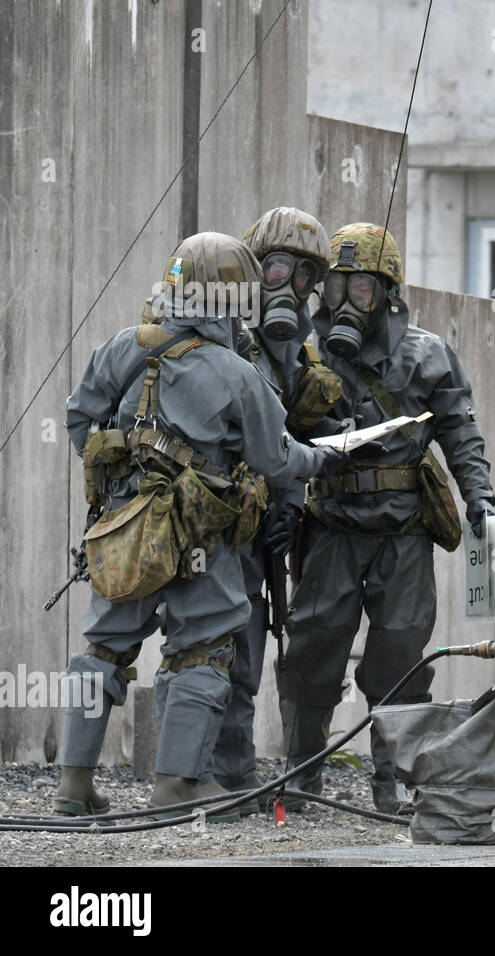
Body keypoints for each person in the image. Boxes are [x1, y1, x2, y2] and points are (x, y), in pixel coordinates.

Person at [55, 232, 346, 816]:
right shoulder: (236, 372)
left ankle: (73, 787)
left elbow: (80, 422)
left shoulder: (121, 347)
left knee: (102, 650)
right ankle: (174, 787)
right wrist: (324, 456)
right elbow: (275, 459)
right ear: (234, 299)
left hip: (125, 532)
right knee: (202, 651)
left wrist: (124, 486)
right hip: (200, 539)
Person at [278, 223, 495, 813]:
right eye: (337, 286)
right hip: (331, 524)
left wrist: (479, 495)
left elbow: (460, 431)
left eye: (363, 289)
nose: (347, 300)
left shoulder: (426, 354)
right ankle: (300, 779)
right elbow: (269, 432)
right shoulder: (301, 350)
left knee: (400, 654)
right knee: (312, 650)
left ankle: (392, 781)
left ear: (390, 292)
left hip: (404, 530)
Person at [201, 207, 339, 810]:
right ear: (255, 273)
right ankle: (205, 774)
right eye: (277, 267)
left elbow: (288, 439)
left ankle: (235, 774)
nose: (290, 284)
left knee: (249, 650)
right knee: (216, 645)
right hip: (218, 519)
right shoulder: (228, 340)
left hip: (258, 525)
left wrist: (291, 502)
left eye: (305, 274)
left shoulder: (296, 361)